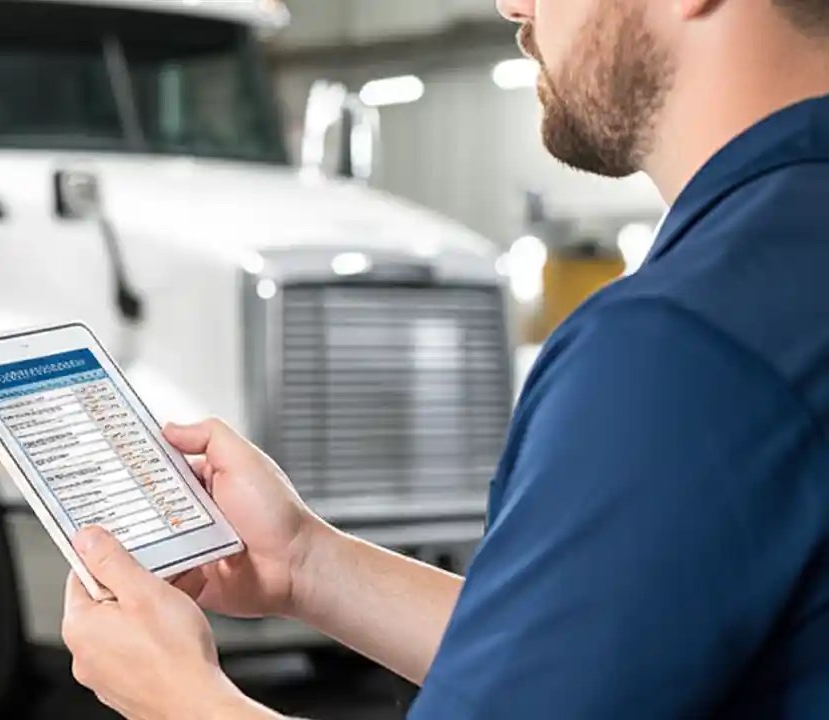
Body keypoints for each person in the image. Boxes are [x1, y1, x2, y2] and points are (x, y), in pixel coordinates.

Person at [61, 0, 829, 716]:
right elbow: (582, 650)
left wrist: (182, 696)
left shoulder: (680, 347)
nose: (513, 3)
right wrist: (305, 562)